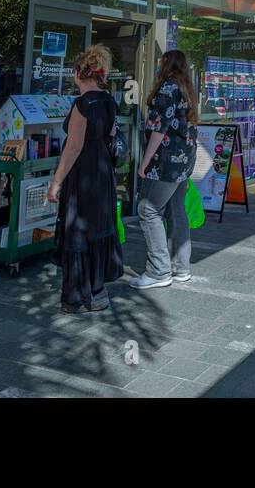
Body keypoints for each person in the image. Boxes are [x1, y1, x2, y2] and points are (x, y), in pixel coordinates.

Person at [47, 46, 124, 314]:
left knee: (78, 229)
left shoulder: (82, 104)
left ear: (80, 73)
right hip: (103, 173)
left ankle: (77, 297)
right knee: (97, 229)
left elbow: (74, 147)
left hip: (82, 176)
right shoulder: (108, 101)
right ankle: (98, 291)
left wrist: (56, 181)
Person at [131, 50, 198, 290]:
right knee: (176, 209)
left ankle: (159, 270)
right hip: (184, 161)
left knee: (148, 209)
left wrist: (145, 160)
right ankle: (181, 268)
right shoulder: (187, 89)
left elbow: (160, 128)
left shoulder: (167, 89)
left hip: (165, 162)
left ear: (166, 65)